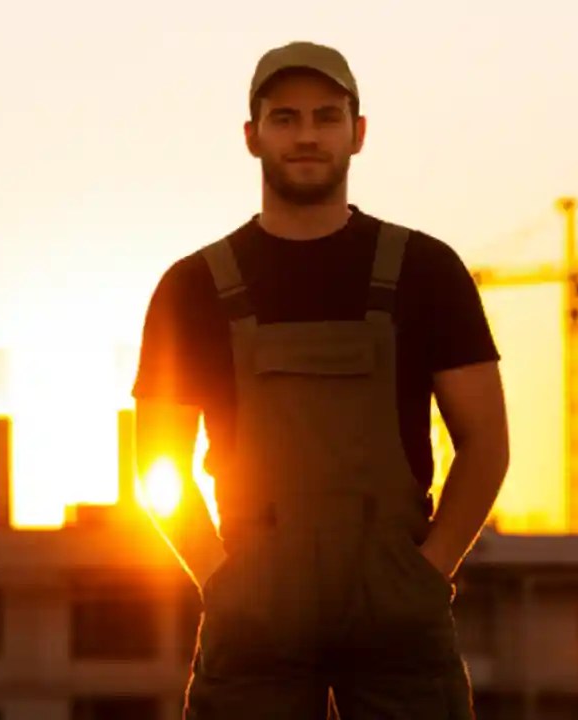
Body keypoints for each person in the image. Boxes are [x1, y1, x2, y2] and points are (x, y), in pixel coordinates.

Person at [132, 40, 510, 719]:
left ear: (358, 133)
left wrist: (427, 577)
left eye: (326, 116)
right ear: (252, 137)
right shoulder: (191, 288)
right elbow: (154, 462)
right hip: (255, 610)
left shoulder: (427, 271)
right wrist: (222, 583)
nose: (306, 135)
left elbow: (485, 444)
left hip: (396, 609)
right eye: (285, 118)